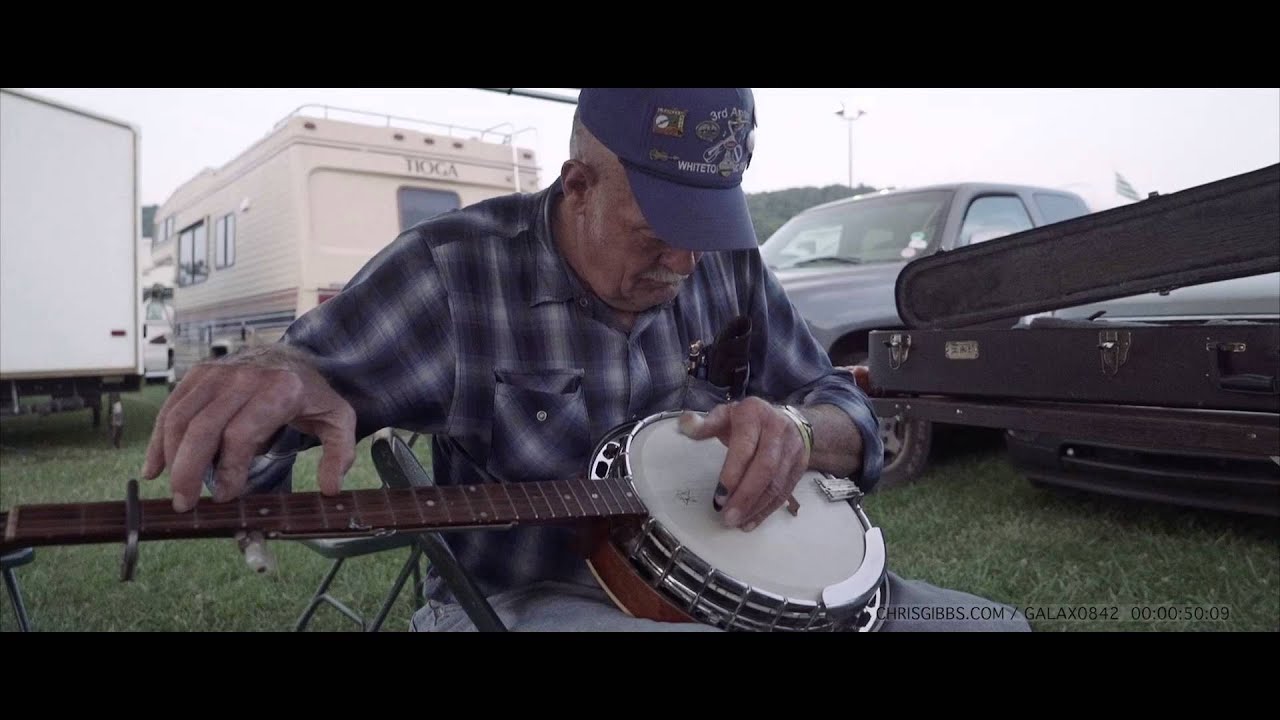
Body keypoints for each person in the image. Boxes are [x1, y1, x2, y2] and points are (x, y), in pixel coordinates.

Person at [142, 88, 1028, 632]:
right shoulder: (452, 273)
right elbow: (283, 414)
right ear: (579, 185)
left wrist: (797, 426)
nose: (684, 264)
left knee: (992, 627)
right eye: (657, 233)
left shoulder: (725, 264)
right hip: (527, 599)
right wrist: (277, 380)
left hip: (750, 582)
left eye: (704, 232)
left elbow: (850, 414)